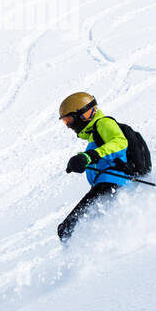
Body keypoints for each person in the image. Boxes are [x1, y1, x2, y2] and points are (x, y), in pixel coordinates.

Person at [56, 91, 130, 242]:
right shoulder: (93, 135)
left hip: (112, 182)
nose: (68, 126)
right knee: (72, 228)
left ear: (82, 114)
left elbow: (120, 142)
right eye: (65, 122)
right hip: (107, 185)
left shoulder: (103, 123)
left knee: (69, 228)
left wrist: (90, 156)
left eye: (69, 120)